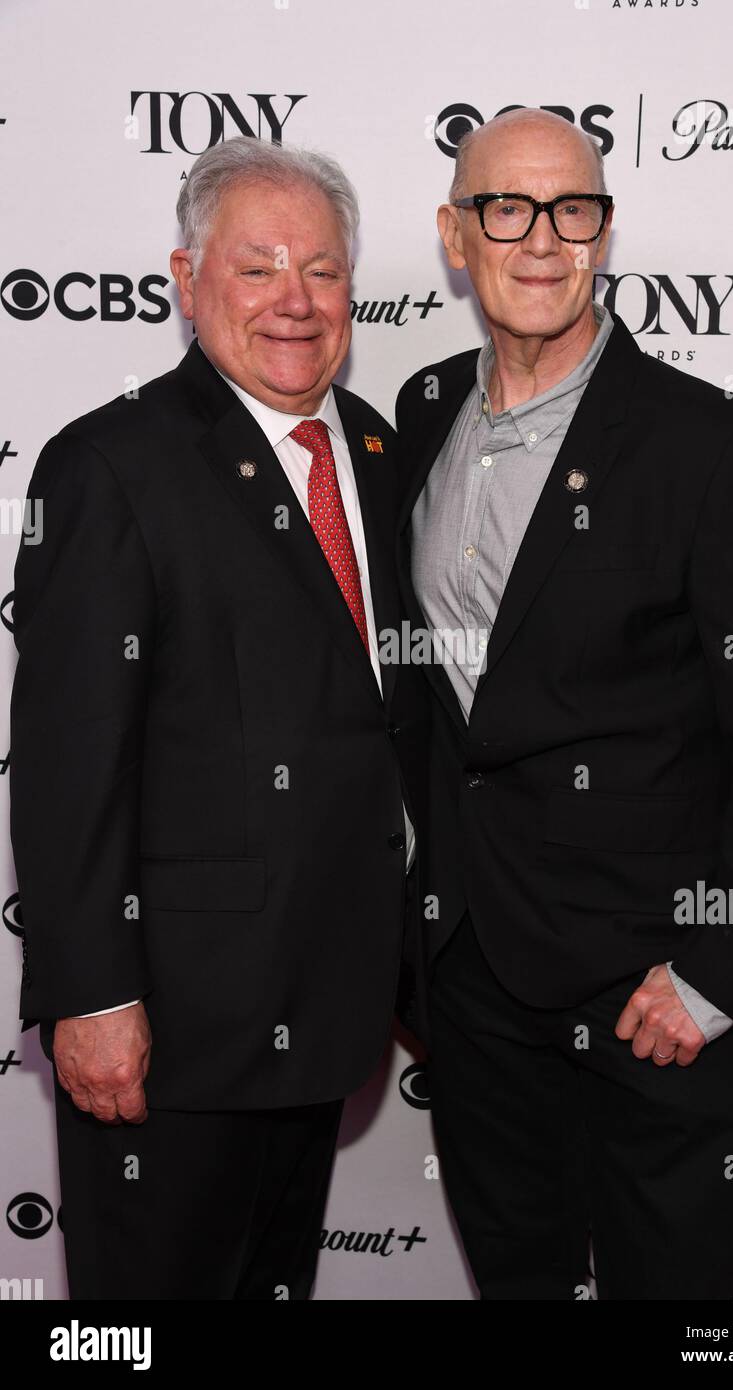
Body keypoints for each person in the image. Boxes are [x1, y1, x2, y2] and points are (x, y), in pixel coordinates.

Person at [395, 108, 733, 1300]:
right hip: (474, 976)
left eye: (570, 208)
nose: (540, 239)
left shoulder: (709, 445)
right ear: (454, 232)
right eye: (504, 207)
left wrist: (714, 969)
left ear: (602, 232)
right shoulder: (423, 408)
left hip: (649, 981)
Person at [10, 135, 426, 1300]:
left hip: (327, 1002)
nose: (295, 301)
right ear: (186, 280)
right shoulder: (110, 464)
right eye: (257, 268)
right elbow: (65, 761)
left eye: (324, 269)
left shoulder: (382, 452)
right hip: (173, 1024)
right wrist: (91, 995)